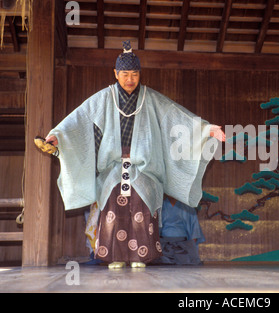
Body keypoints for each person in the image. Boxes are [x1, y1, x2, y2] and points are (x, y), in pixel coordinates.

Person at [42, 40, 225, 269]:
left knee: (142, 204)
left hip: (144, 167)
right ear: (116, 74)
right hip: (113, 167)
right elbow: (80, 118)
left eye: (135, 74)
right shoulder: (104, 97)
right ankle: (114, 256)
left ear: (140, 74)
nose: (130, 79)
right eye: (125, 73)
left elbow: (176, 116)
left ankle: (141, 255)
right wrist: (59, 135)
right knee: (112, 207)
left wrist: (205, 129)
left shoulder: (151, 98)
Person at [154, 195, 206, 265]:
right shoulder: (160, 207)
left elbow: (194, 229)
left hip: (183, 243)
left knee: (189, 259)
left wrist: (192, 247)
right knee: (160, 258)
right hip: (164, 243)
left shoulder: (187, 207)